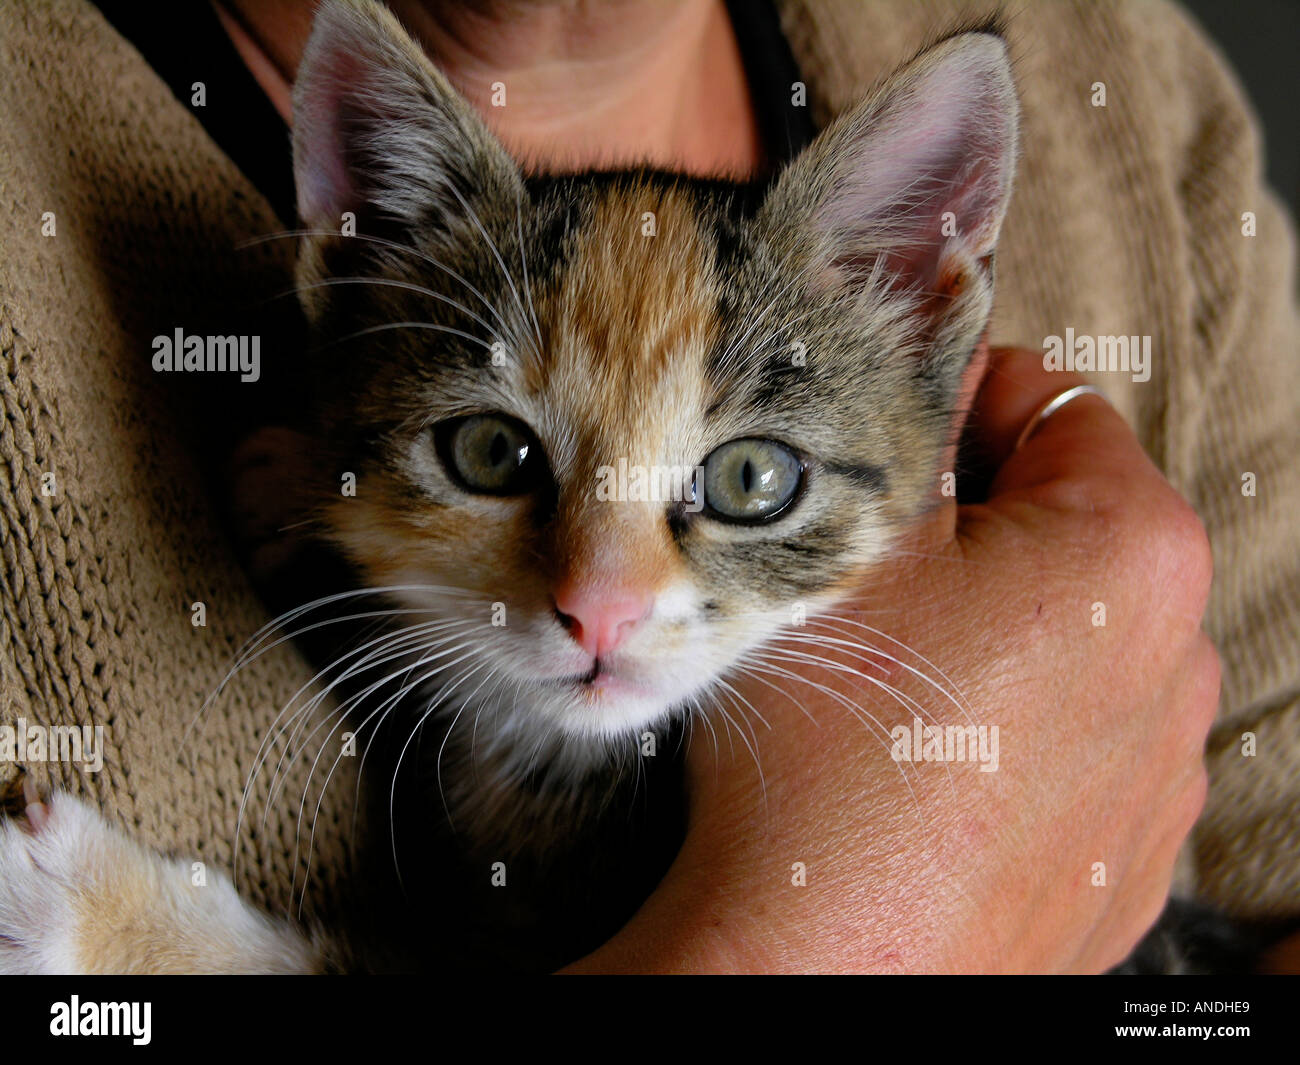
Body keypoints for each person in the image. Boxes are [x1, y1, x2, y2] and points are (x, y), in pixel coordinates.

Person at [0, 0, 1295, 972]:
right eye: (497, 455)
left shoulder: (1121, 69)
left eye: (746, 477)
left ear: (919, 307)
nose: (595, 599)